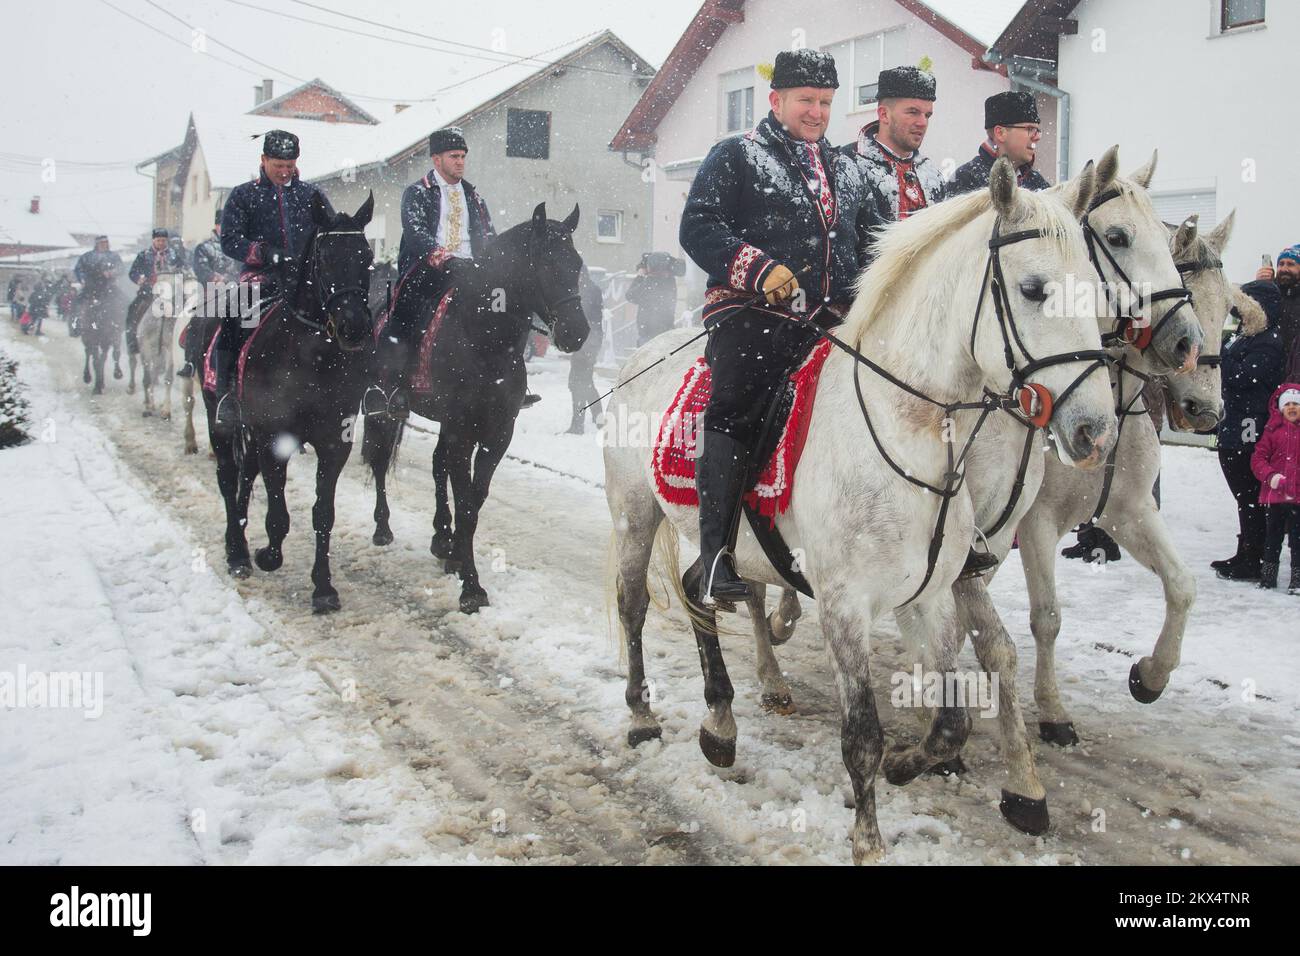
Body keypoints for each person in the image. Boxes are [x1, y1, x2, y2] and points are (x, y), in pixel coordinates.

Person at [680, 48, 888, 605]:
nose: (817, 111)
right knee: (734, 407)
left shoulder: (849, 169)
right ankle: (718, 554)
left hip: (833, 319)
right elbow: (698, 225)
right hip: (752, 314)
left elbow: (877, 245)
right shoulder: (737, 156)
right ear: (776, 100)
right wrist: (758, 267)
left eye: (825, 102)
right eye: (806, 101)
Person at [372, 126, 497, 418]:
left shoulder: (474, 196)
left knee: (503, 308)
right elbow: (416, 235)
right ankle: (394, 385)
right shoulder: (417, 193)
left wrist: (491, 262)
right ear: (436, 159)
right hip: (427, 269)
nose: (460, 162)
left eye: (463, 156)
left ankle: (506, 382)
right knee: (404, 313)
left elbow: (489, 234)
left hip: (471, 270)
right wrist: (445, 259)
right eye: (454, 156)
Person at [214, 129, 335, 433]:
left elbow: (331, 231)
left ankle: (352, 385)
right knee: (233, 313)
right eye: (278, 165)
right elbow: (229, 241)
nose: (284, 172)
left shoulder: (312, 195)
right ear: (263, 160)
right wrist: (265, 254)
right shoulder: (243, 195)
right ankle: (226, 392)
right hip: (260, 277)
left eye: (289, 165)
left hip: (307, 280)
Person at [1214, 280, 1287, 581]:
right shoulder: (1242, 338)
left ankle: (1253, 558)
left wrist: (1220, 355)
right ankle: (1246, 552)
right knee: (1244, 496)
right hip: (1233, 425)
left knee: (1251, 495)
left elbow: (1245, 378)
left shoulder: (1269, 341)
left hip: (1249, 428)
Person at [843, 65, 945, 221]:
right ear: (884, 114)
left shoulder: (932, 175)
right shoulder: (847, 166)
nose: (923, 123)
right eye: (913, 112)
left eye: (927, 115)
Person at [949, 90, 1050, 196]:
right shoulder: (967, 180)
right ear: (1000, 133)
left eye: (1038, 130)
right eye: (1030, 129)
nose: (1037, 137)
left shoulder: (1037, 183)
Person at [1251, 383, 1300, 591]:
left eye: (1296, 404)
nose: (1291, 407)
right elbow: (1258, 458)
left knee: (1298, 541)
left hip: (1298, 498)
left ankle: (1297, 578)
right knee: (1272, 538)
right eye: (1287, 403)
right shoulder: (1272, 431)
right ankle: (1268, 576)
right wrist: (1270, 476)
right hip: (1275, 496)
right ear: (1280, 407)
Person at [181, 206, 239, 378]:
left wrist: (235, 277)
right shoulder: (204, 247)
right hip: (212, 293)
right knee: (197, 322)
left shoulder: (238, 247)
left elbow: (242, 267)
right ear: (217, 225)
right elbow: (201, 269)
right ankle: (190, 362)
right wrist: (216, 277)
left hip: (237, 293)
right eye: (224, 224)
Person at [127, 228, 184, 359]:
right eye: (158, 240)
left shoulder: (174, 255)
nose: (161, 243)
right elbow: (133, 272)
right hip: (148, 292)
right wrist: (139, 279)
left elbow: (183, 269)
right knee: (133, 310)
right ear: (153, 240)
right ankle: (132, 344)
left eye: (163, 240)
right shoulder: (144, 255)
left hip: (171, 293)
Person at [566, 266, 605, 434]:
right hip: (585, 341)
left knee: (578, 383)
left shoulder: (588, 291)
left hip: (587, 341)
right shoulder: (585, 289)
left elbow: (587, 316)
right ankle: (599, 419)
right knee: (584, 382)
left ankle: (578, 425)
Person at [626, 253, 678, 345]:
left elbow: (630, 296)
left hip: (648, 334)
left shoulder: (650, 283)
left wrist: (640, 276)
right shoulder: (670, 281)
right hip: (666, 332)